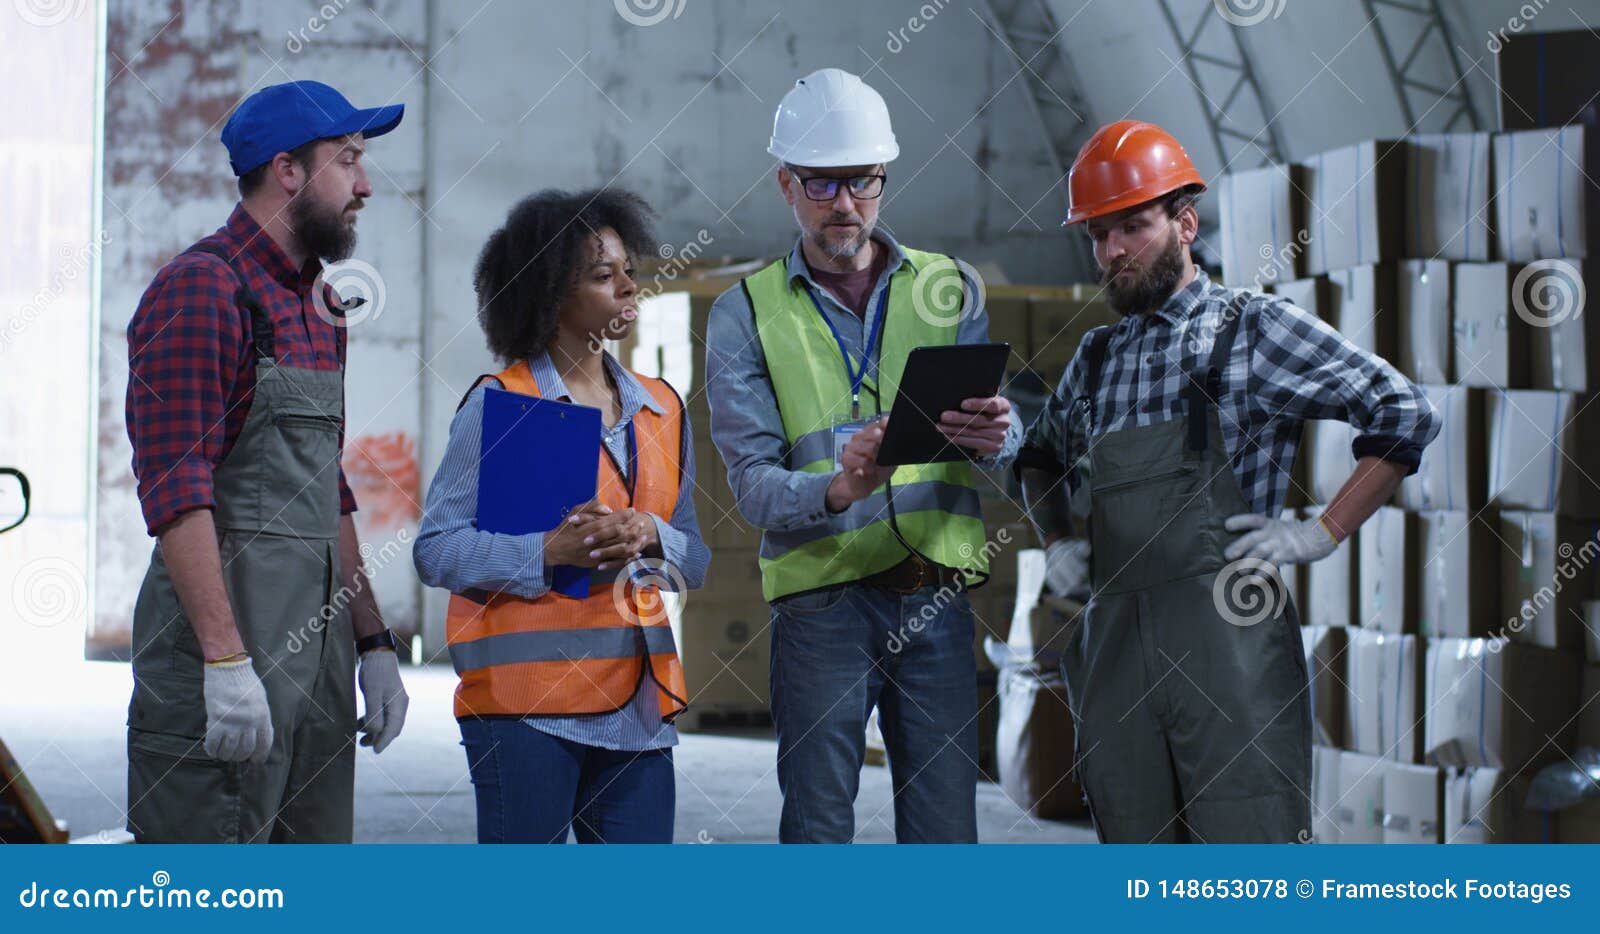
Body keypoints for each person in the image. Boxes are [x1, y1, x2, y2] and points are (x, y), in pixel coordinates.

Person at [1016, 120, 1440, 843]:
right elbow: (1037, 456)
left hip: (1229, 660)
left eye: (1132, 227)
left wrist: (1322, 531)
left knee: (1248, 862)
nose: (1112, 251)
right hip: (1116, 664)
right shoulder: (1095, 358)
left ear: (1185, 224)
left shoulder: (1253, 329)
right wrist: (1054, 539)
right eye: (1097, 234)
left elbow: (1403, 412)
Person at [704, 68, 1020, 844]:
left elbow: (995, 444)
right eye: (822, 183)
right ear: (786, 183)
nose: (844, 202)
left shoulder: (949, 287)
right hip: (822, 608)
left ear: (884, 177)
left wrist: (1002, 436)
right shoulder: (745, 313)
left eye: (862, 180)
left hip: (935, 595)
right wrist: (839, 489)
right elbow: (751, 486)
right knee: (818, 832)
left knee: (945, 835)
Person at [124, 80, 410, 843]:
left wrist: (373, 641)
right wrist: (223, 663)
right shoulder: (202, 290)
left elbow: (327, 486)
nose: (364, 185)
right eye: (347, 160)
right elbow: (176, 489)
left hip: (317, 665)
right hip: (227, 658)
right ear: (287, 171)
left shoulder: (321, 306)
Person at [414, 188, 708, 844]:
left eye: (628, 269)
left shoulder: (663, 409)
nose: (627, 286)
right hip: (526, 710)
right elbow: (435, 549)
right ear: (550, 295)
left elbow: (696, 558)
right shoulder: (500, 405)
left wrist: (651, 534)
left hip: (639, 710)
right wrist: (545, 553)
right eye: (603, 275)